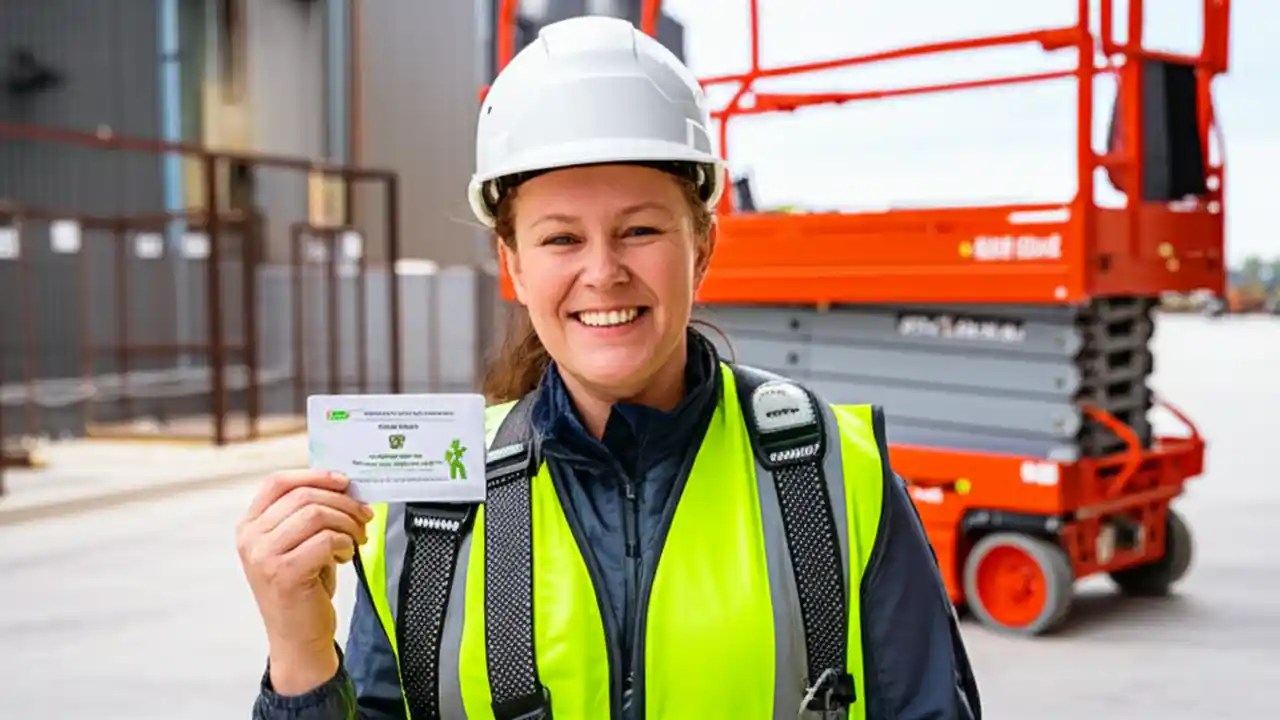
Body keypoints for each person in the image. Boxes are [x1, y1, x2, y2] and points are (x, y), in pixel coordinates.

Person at [239, 14, 981, 720]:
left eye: (639, 229)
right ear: (514, 265)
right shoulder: (432, 510)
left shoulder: (829, 477)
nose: (603, 271)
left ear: (703, 248)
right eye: (561, 238)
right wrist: (300, 652)